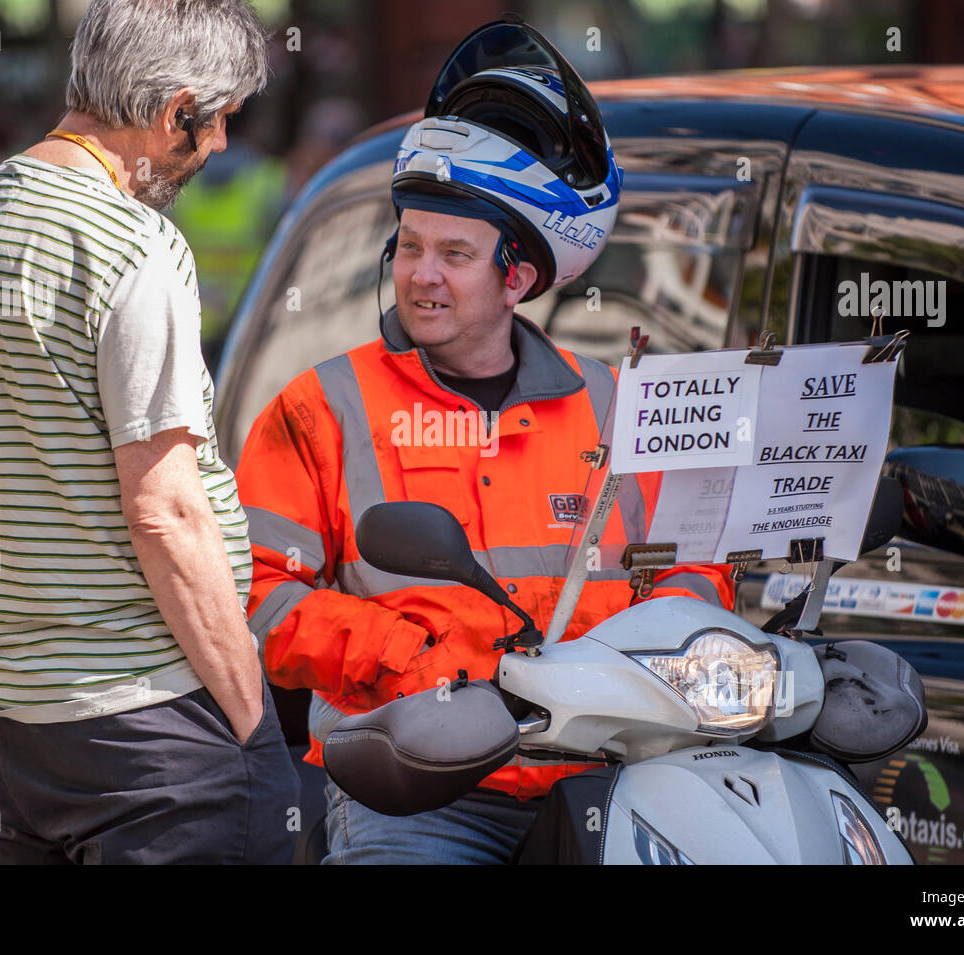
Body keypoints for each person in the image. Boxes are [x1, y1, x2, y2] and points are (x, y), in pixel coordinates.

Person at [236, 19, 735, 864]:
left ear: (519, 276)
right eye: (412, 247)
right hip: (415, 796)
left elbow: (687, 565)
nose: (422, 273)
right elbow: (258, 601)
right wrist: (411, 657)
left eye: (455, 253)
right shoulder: (319, 406)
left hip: (609, 778)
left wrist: (684, 634)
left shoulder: (611, 405)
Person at [0, 0, 298, 864]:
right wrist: (250, 716)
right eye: (220, 121)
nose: (223, 146)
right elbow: (167, 514)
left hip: (0, 718)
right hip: (145, 728)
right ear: (176, 112)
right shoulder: (132, 244)